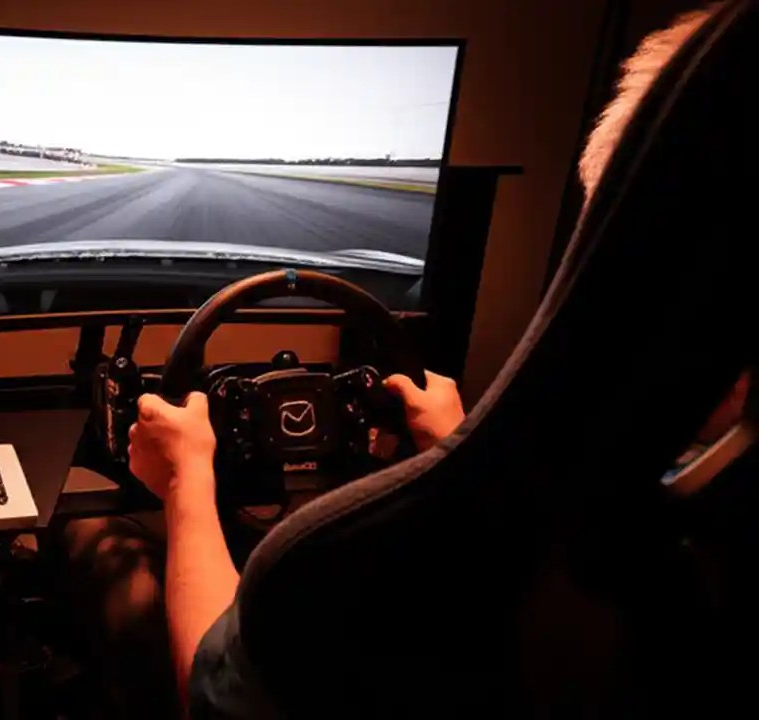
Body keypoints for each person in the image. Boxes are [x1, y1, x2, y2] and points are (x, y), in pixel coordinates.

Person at [65, 3, 750, 716]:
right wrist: (455, 446)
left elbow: (206, 693)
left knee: (93, 533)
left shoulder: (323, 562)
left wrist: (186, 481)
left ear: (609, 241)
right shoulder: (680, 538)